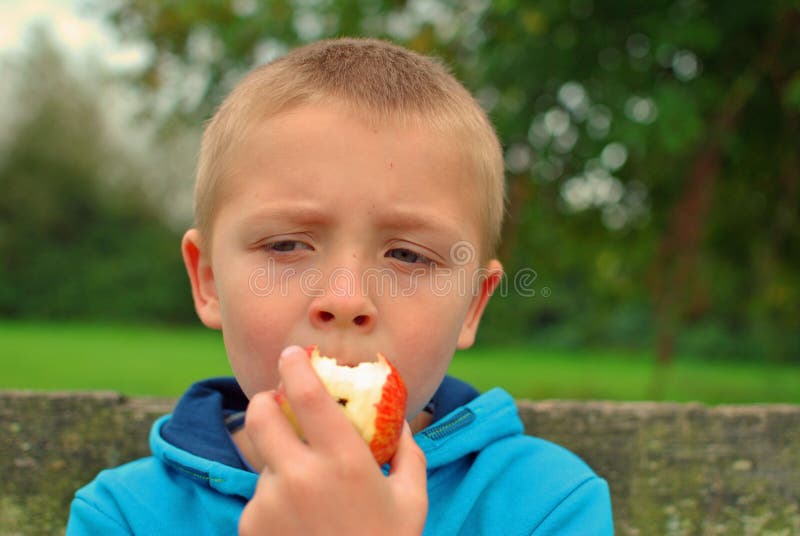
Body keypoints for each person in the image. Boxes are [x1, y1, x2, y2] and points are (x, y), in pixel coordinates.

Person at [67, 37, 613, 535]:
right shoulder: (123, 516)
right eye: (285, 245)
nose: (346, 299)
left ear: (472, 305)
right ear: (208, 280)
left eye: (407, 255)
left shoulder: (547, 506)